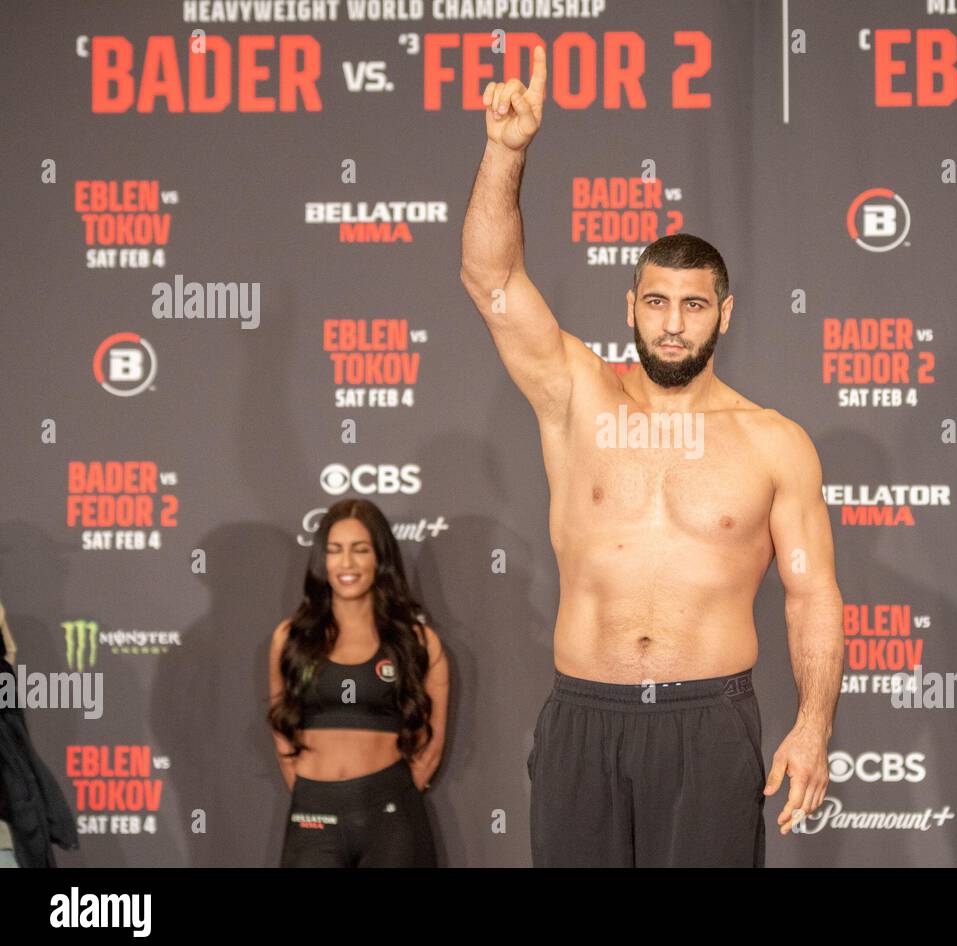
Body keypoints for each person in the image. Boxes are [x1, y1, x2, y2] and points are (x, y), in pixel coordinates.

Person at [460, 46, 844, 867]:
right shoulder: (576, 396)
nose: (674, 323)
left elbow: (812, 594)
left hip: (710, 724)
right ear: (631, 304)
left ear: (724, 314)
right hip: (584, 719)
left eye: (694, 305)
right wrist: (507, 152)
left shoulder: (774, 442)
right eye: (658, 302)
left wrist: (812, 727)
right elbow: (490, 278)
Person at [268, 498, 448, 867]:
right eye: (334, 551)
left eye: (359, 550)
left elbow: (432, 743)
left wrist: (393, 790)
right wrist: (308, 788)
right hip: (312, 814)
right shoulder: (291, 638)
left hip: (392, 816)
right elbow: (280, 720)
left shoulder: (417, 641)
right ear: (322, 560)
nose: (346, 563)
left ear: (379, 558)